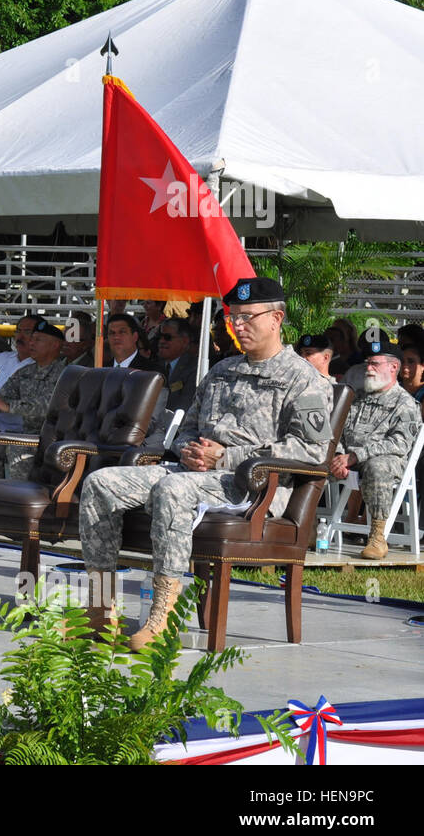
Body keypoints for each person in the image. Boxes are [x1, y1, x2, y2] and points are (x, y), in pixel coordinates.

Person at [78, 277, 333, 649]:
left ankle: (163, 615)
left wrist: (225, 456)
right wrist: (188, 450)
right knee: (102, 482)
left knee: (173, 488)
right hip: (196, 472)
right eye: (234, 318)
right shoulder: (221, 371)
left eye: (249, 317)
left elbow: (311, 451)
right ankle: (100, 610)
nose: (239, 326)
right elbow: (185, 427)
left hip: (254, 487)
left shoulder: (303, 379)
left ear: (277, 318)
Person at [331, 341, 421, 560]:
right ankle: (307, 528)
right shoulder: (358, 398)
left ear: (393, 368)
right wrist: (337, 456)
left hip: (386, 461)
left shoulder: (405, 404)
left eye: (374, 364)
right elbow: (338, 430)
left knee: (377, 466)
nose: (368, 369)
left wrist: (354, 456)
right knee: (311, 458)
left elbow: (398, 444)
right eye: (367, 364)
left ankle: (378, 537)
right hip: (349, 458)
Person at [0, 320, 71, 479]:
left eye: (38, 340)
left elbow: (49, 407)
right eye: (32, 339)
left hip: (54, 436)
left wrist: (9, 406)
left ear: (55, 345)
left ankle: (20, 496)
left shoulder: (65, 374)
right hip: (26, 433)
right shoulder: (26, 371)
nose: (32, 343)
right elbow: (1, 397)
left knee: (18, 448)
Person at [156, 316, 198, 412]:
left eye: (167, 337)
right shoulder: (154, 365)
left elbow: (185, 406)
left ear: (184, 341)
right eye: (160, 337)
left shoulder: (194, 368)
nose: (161, 341)